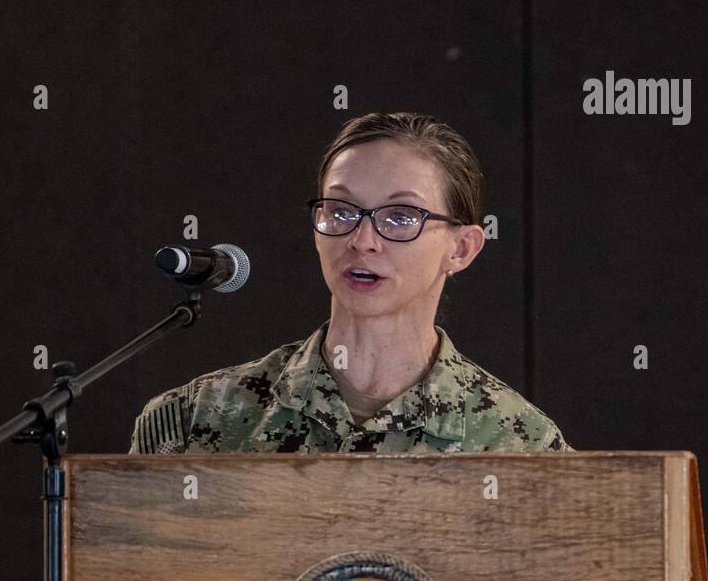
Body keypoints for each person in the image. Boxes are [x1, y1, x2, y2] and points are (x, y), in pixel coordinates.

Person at [130, 111, 571, 456]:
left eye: (400, 218)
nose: (363, 241)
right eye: (340, 211)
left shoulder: (522, 445)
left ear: (461, 249)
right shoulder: (190, 423)